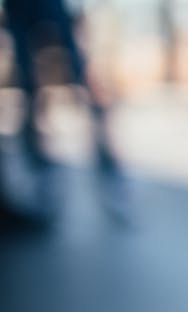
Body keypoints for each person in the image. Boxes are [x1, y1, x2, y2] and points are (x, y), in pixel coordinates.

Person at [1, 0, 125, 226]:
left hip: (47, 6)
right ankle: (41, 171)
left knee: (82, 79)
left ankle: (110, 172)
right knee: (29, 86)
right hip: (20, 8)